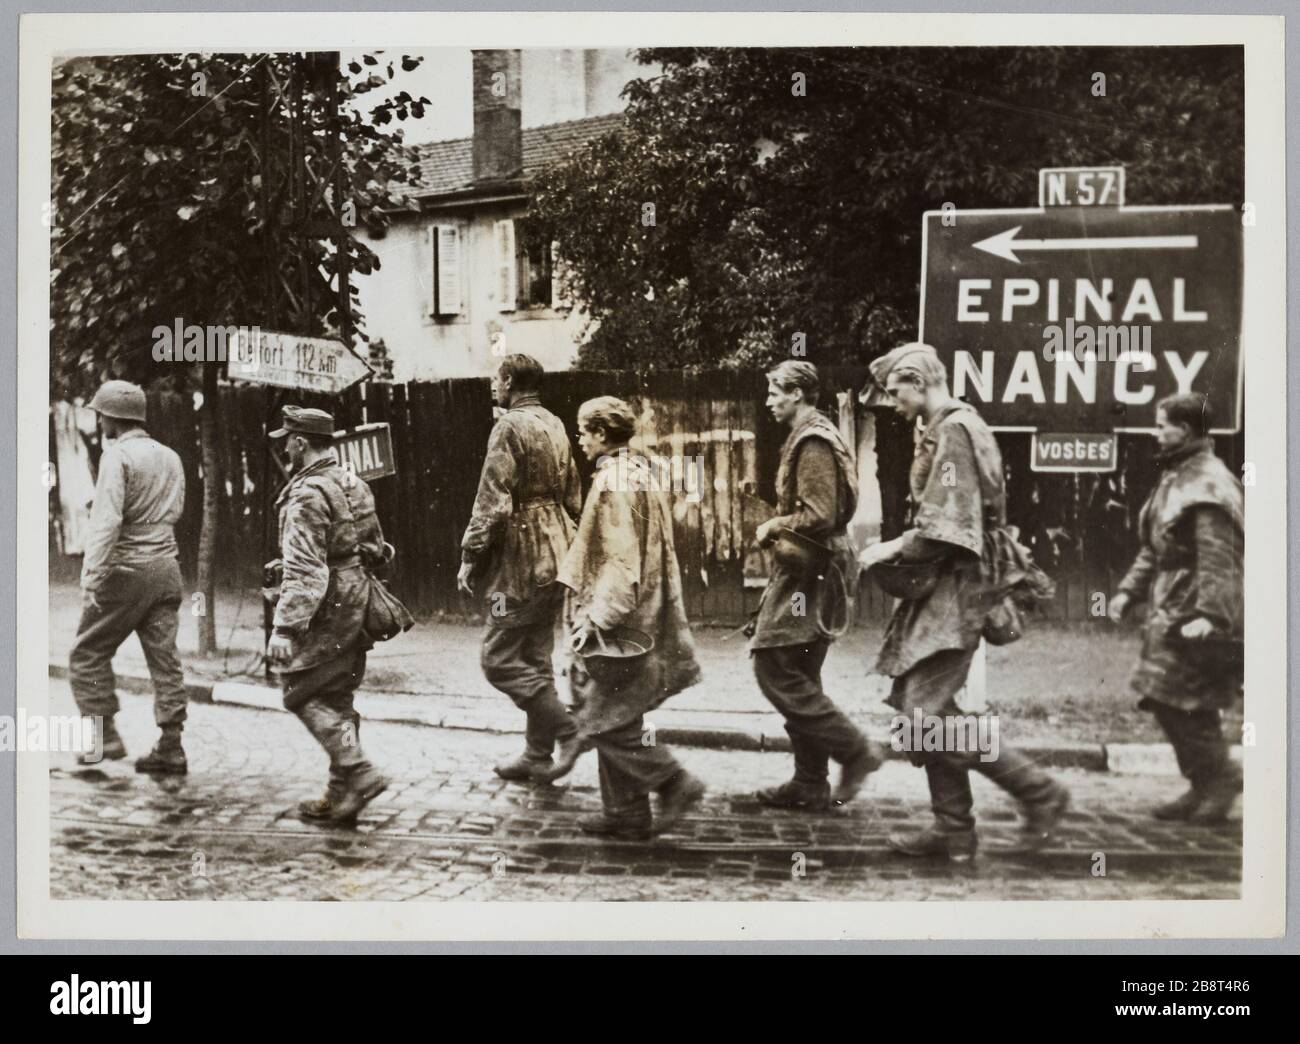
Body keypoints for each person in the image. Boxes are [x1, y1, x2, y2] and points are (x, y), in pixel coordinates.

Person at [861, 343, 1068, 862]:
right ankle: (953, 830)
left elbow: (949, 527)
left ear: (918, 381)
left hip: (958, 585)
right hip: (949, 585)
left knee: (923, 714)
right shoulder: (952, 425)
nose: (892, 403)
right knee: (924, 705)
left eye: (895, 391)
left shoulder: (953, 430)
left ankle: (1039, 792)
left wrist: (889, 547)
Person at [538, 396, 706, 839]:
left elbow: (619, 558)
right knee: (618, 712)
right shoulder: (638, 472)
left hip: (622, 617)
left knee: (602, 718)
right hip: (642, 608)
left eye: (583, 431)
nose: (579, 439)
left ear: (600, 433)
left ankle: (675, 782)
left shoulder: (614, 482)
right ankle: (625, 813)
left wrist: (598, 617)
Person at [748, 360, 883, 811]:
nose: (769, 401)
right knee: (800, 670)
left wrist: (774, 524)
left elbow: (820, 514)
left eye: (775, 392)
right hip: (812, 567)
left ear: (799, 395)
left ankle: (854, 750)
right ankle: (809, 781)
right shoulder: (810, 436)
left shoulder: (812, 441)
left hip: (812, 571)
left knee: (774, 663)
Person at [1109, 392, 1244, 823]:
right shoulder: (1179, 475)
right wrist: (1128, 591)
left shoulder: (1208, 483)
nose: (1156, 431)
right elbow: (1157, 546)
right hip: (1171, 605)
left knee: (1184, 698)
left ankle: (1219, 778)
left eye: (1161, 423)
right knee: (1172, 697)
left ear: (1184, 430)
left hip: (1193, 610)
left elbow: (1219, 556)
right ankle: (1203, 783)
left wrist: (1211, 616)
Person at [457, 354, 582, 781]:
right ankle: (536, 753)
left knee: (497, 657)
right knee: (535, 652)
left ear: (509, 381)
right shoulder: (556, 424)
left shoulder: (508, 426)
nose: (494, 386)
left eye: (497, 379)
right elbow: (573, 496)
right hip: (558, 552)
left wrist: (471, 555)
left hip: (521, 558)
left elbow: (492, 502)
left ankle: (568, 730)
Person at [265, 405, 389, 824]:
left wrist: (284, 628)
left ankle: (358, 770)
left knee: (299, 690)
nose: (284, 447)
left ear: (300, 442)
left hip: (327, 606)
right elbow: (376, 549)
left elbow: (306, 570)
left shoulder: (305, 495)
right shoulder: (353, 482)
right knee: (338, 696)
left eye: (287, 439)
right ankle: (340, 797)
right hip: (358, 598)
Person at [69, 379, 188, 774]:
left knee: (87, 653)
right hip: (167, 568)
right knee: (165, 659)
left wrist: (93, 579)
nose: (98, 420)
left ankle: (103, 739)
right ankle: (171, 746)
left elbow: (107, 523)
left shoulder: (116, 457)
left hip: (126, 571)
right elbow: (175, 509)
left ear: (112, 418)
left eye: (99, 414)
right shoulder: (169, 456)